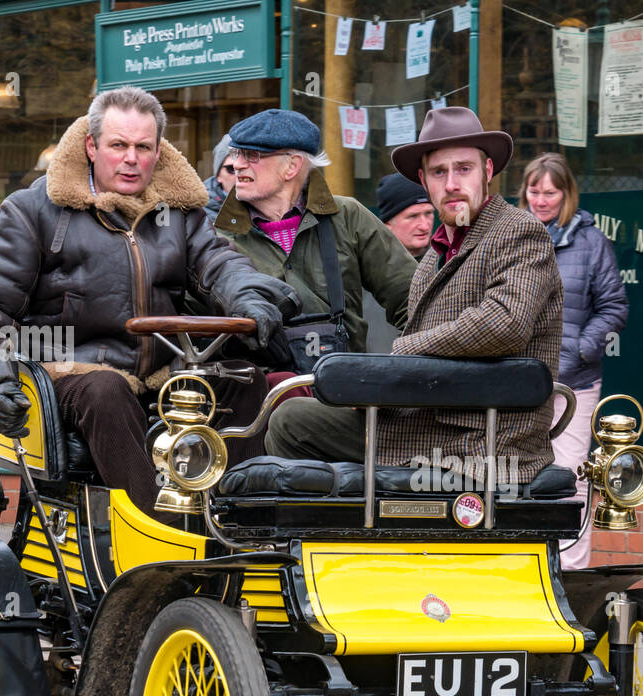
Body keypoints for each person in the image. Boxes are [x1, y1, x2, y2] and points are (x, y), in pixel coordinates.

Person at [0, 86, 298, 519]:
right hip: (69, 370)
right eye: (119, 145)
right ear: (92, 147)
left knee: (246, 379)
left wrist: (248, 294)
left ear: (159, 151)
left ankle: (236, 518)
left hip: (161, 371)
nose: (131, 158)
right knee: (106, 389)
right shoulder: (31, 211)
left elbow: (218, 262)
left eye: (143, 147)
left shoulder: (179, 212)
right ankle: (159, 532)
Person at [265, 106, 562, 488]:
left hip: (485, 439)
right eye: (439, 172)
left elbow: (505, 323)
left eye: (464, 169)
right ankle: (325, 540)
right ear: (424, 180)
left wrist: (400, 355)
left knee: (291, 422)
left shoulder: (518, 231)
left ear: (487, 172)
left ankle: (344, 535)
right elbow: (431, 364)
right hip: (433, 422)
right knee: (290, 414)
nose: (452, 183)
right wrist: (376, 388)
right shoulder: (433, 259)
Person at [214, 109, 417, 358]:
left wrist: (404, 366)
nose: (236, 164)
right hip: (258, 392)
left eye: (251, 155)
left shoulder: (348, 217)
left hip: (342, 391)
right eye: (236, 153)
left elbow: (415, 300)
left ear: (292, 166)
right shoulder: (215, 237)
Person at [519, 153, 628, 568]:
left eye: (550, 192)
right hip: (518, 379)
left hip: (574, 382)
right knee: (518, 473)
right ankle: (528, 565)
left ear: (565, 194)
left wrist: (584, 346)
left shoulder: (591, 242)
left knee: (571, 477)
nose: (541, 200)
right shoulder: (511, 235)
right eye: (534, 191)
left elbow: (614, 305)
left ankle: (571, 569)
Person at [365, 172, 435, 354]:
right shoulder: (366, 275)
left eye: (428, 213)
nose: (425, 225)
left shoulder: (445, 266)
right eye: (412, 216)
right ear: (387, 225)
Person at [202, 133, 234, 222]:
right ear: (218, 176)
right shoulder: (197, 212)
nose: (239, 175)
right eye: (232, 169)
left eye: (245, 168)